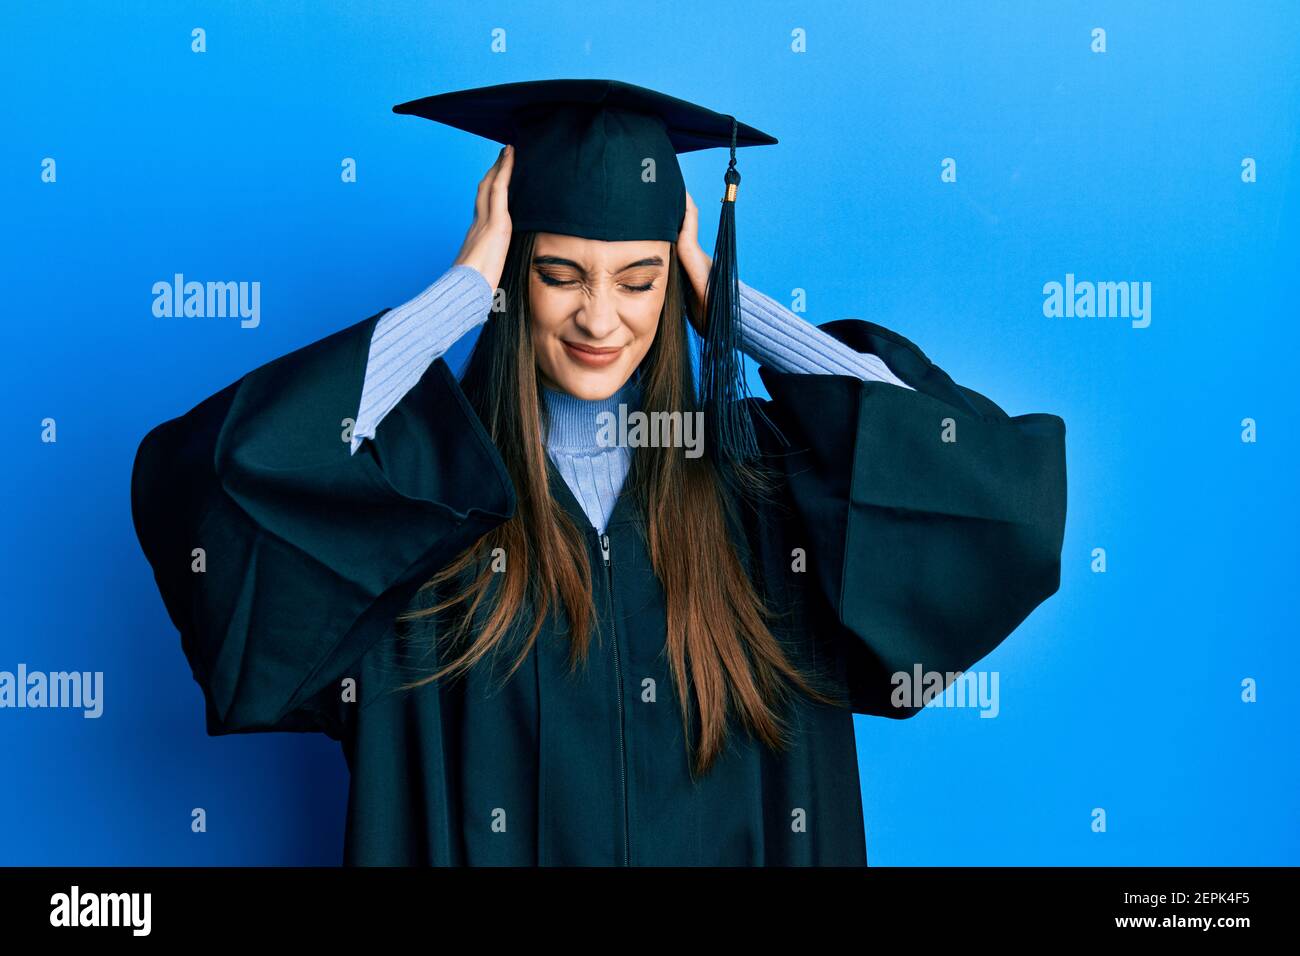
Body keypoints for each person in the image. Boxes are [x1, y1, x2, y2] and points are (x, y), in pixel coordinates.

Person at [129, 79, 1067, 866]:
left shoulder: (759, 494)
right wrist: (457, 294)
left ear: (677, 283)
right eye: (561, 275)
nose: (601, 319)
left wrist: (735, 308)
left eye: (639, 280)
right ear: (515, 274)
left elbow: (992, 501)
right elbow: (222, 476)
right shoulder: (423, 503)